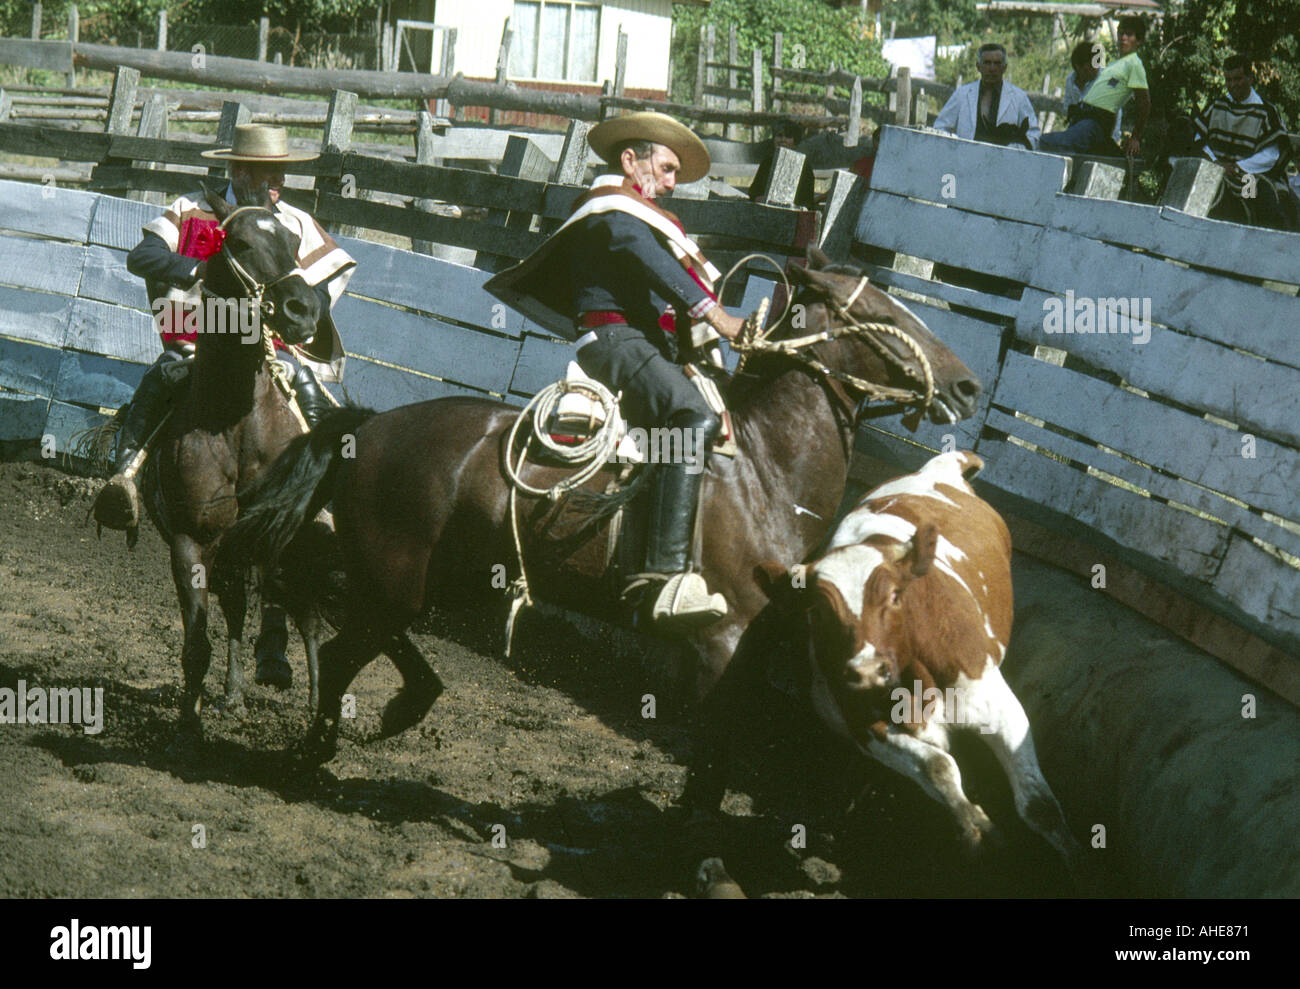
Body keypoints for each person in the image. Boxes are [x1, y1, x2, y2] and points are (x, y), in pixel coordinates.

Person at [486, 112, 747, 631]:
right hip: (613, 341)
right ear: (631, 160)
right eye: (667, 167)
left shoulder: (634, 214)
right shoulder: (613, 211)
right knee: (693, 417)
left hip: (634, 341)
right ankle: (664, 578)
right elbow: (641, 255)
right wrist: (714, 315)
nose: (672, 183)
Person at [92, 124, 356, 536]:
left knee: (304, 382)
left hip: (265, 343)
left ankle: (327, 497)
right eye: (269, 174)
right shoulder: (191, 209)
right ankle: (124, 477)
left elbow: (323, 283)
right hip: (199, 333)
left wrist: (306, 311)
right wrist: (198, 269)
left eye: (281, 174)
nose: (279, 183)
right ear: (239, 173)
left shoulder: (293, 222)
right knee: (163, 375)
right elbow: (143, 256)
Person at [1193, 54, 1296, 230]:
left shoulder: (1266, 111)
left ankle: (1268, 244)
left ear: (1250, 78)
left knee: (1260, 203)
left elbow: (1271, 155)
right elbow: (1199, 140)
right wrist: (1217, 163)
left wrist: (1237, 167)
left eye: (1238, 79)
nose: (1233, 85)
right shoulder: (1217, 105)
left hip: (1250, 175)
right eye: (1229, 79)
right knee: (1191, 198)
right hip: (1215, 170)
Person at [1041, 17, 1149, 156]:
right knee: (1057, 150)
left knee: (1043, 141)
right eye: (1121, 33)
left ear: (1138, 40)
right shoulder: (1115, 64)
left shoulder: (1134, 64)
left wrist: (1135, 137)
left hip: (1094, 124)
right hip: (1082, 120)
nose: (1123, 38)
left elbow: (1144, 103)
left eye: (1129, 34)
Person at [932, 44, 1040, 150]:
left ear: (1004, 67)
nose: (992, 68)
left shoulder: (1019, 98)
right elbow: (940, 127)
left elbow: (1033, 136)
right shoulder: (962, 94)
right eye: (987, 63)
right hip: (966, 161)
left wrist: (1012, 150)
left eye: (997, 63)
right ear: (978, 66)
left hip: (1005, 163)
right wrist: (955, 149)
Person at [1063, 40, 1122, 144]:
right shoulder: (1070, 81)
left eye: (1096, 66)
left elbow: (1115, 112)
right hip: (1077, 135)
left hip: (1102, 138)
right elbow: (1068, 109)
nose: (1094, 70)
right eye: (1088, 68)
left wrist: (1110, 139)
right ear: (1078, 67)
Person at [749, 121, 816, 208]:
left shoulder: (803, 166)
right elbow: (753, 192)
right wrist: (759, 198)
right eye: (779, 136)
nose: (783, 140)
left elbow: (807, 200)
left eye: (788, 136)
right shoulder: (767, 163)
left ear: (795, 141)